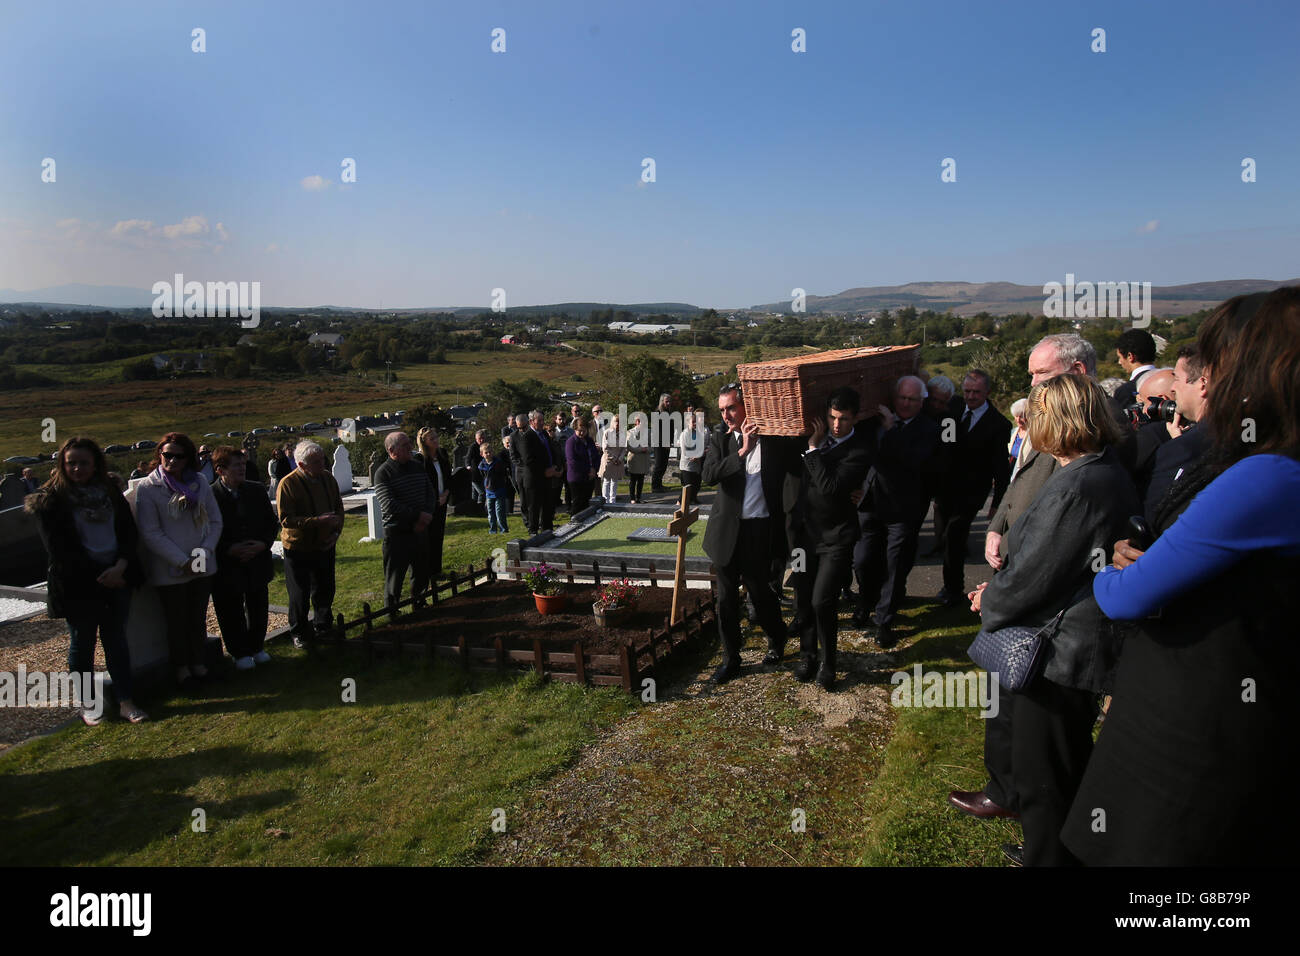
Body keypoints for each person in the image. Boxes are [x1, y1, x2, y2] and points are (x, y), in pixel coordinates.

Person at [1063, 288, 1300, 866]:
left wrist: (1107, 571)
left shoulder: (1266, 477)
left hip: (1189, 728)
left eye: (1219, 363)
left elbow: (1128, 595)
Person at [966, 373, 1137, 866]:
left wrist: (990, 600)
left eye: (1036, 415)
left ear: (1058, 420)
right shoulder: (1089, 471)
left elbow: (1039, 572)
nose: (1027, 425)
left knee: (1048, 774)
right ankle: (1046, 849)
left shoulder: (1080, 486)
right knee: (1048, 765)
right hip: (1061, 642)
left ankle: (1052, 858)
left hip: (1062, 652)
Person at [26, 437, 147, 724]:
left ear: (96, 465)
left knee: (116, 641)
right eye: (71, 463)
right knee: (82, 644)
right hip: (78, 583)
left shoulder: (108, 492)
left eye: (84, 463)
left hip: (117, 575)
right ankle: (89, 705)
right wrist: (101, 576)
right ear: (62, 464)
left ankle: (125, 701)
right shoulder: (51, 500)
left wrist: (120, 566)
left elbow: (128, 532)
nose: (77, 469)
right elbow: (59, 549)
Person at [700, 384, 793, 684]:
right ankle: (731, 660)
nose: (726, 415)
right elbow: (709, 475)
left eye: (732, 408)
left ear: (746, 407)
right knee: (725, 600)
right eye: (723, 409)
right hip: (726, 531)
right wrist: (742, 452)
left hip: (758, 530)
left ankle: (778, 637)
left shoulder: (775, 441)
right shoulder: (721, 438)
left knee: (760, 594)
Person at [852, 375, 944, 647]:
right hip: (870, 503)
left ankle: (884, 621)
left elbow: (910, 462)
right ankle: (865, 602)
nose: (905, 403)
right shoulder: (873, 422)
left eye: (912, 399)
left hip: (904, 508)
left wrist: (892, 431)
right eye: (902, 397)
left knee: (895, 566)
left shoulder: (929, 430)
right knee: (862, 560)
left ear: (921, 402)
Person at [792, 388, 871, 689]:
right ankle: (808, 655)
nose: (837, 425)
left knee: (822, 600)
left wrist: (812, 448)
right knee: (803, 598)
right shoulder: (810, 437)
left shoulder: (859, 451)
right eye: (833, 418)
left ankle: (829, 662)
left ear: (855, 418)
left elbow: (829, 486)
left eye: (845, 419)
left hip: (837, 537)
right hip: (805, 536)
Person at [131, 432, 223, 689]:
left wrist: (205, 551)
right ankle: (181, 668)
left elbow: (214, 520)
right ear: (159, 455)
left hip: (201, 561)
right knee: (176, 621)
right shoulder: (149, 488)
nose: (171, 460)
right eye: (166, 455)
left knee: (197, 617)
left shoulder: (201, 482)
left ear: (188, 458)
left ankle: (199, 663)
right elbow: (150, 531)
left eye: (178, 456)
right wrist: (181, 560)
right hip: (171, 566)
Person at [936, 370, 1010, 606]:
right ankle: (950, 585)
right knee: (947, 537)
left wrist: (998, 503)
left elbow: (1001, 468)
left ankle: (953, 589)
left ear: (987, 392)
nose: (970, 396)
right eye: (967, 391)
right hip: (947, 488)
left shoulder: (998, 424)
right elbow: (945, 444)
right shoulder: (953, 409)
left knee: (954, 534)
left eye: (976, 392)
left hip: (972, 491)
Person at [209, 446, 277, 670]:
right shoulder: (211, 495)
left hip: (256, 558)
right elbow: (206, 530)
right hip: (228, 563)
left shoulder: (256, 490)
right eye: (236, 465)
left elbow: (270, 523)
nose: (242, 469)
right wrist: (228, 549)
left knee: (258, 605)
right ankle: (239, 652)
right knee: (230, 609)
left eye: (243, 464)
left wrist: (262, 544)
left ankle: (257, 647)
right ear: (220, 470)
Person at [276, 440, 344, 646]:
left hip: (325, 544)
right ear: (301, 465)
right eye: (315, 462)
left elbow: (338, 509)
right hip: (299, 547)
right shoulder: (287, 484)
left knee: (325, 587)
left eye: (322, 459)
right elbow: (286, 519)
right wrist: (316, 522)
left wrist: (335, 533)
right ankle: (299, 631)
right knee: (300, 592)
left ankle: (323, 625)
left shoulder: (328, 479)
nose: (321, 464)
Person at [1143, 345, 1211, 518]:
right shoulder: (1244, 435)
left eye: (1177, 378)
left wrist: (1179, 447)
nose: (1172, 388)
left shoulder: (1183, 449)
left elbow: (1156, 516)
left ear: (1202, 384)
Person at [375, 431, 435, 612]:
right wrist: (417, 517)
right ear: (392, 450)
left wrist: (426, 515)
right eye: (405, 445)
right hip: (398, 532)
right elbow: (389, 505)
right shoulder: (383, 473)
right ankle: (392, 611)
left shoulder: (417, 466)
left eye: (409, 443)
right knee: (395, 576)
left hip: (420, 529)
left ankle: (419, 602)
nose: (410, 447)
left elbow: (430, 493)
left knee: (421, 572)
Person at [416, 426, 451, 581]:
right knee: (428, 539)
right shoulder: (420, 459)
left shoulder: (442, 454)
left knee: (438, 537)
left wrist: (446, 494)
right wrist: (434, 498)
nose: (436, 441)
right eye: (432, 439)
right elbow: (422, 484)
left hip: (442, 502)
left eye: (436, 437)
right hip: (429, 504)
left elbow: (448, 478)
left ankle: (437, 570)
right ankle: (427, 573)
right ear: (424, 442)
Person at [518, 410, 561, 534]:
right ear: (532, 421)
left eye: (543, 420)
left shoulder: (544, 434)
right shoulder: (526, 437)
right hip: (534, 478)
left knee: (548, 506)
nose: (542, 423)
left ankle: (547, 531)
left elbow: (550, 451)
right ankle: (533, 532)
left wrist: (555, 467)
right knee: (534, 508)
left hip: (547, 477)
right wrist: (544, 471)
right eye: (539, 421)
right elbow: (528, 460)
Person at [1111, 328, 1158, 409]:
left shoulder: (1126, 392)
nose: (1119, 362)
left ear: (1130, 356)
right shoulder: (1171, 382)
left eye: (1120, 357)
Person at [565, 418, 600, 515]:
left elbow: (596, 457)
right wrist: (588, 470)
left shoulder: (589, 441)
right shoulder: (571, 442)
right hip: (577, 478)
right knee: (577, 503)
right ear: (575, 429)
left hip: (590, 477)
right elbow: (572, 462)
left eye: (584, 431)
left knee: (586, 502)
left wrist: (594, 469)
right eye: (579, 431)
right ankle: (574, 522)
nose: (582, 433)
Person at [478, 441, 511, 533]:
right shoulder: (481, 466)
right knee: (490, 512)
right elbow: (483, 477)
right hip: (489, 491)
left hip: (499, 490)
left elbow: (504, 474)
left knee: (500, 512)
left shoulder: (498, 463)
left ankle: (503, 529)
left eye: (490, 452)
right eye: (486, 452)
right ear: (482, 454)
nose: (488, 454)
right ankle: (493, 529)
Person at [676, 408, 706, 502]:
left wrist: (700, 455)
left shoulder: (698, 434)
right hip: (687, 465)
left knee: (696, 484)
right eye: (693, 422)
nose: (695, 424)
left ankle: (693, 498)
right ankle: (679, 502)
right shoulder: (684, 434)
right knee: (687, 486)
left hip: (696, 464)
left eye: (696, 422)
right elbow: (685, 451)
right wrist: (695, 456)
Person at [598, 415, 626, 504]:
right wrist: (614, 458)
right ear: (612, 422)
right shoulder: (607, 433)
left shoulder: (622, 434)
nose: (617, 424)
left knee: (614, 481)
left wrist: (620, 459)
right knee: (606, 481)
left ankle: (612, 501)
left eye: (619, 422)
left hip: (618, 461)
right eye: (615, 421)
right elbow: (605, 448)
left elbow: (624, 448)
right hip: (608, 461)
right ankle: (605, 501)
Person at [650, 393, 674, 492]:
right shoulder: (657, 413)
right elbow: (657, 430)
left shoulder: (668, 413)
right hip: (659, 443)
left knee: (664, 465)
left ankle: (659, 485)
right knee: (659, 464)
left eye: (669, 401)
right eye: (666, 401)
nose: (668, 403)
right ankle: (655, 486)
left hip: (666, 443)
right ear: (662, 401)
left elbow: (671, 429)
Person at [625, 413, 650, 504]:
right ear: (636, 422)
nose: (641, 423)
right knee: (633, 480)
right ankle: (632, 498)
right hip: (634, 460)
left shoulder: (649, 432)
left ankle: (639, 498)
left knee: (641, 480)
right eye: (639, 421)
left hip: (643, 460)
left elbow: (652, 446)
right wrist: (641, 449)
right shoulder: (630, 432)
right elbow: (630, 447)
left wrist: (647, 449)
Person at [1007, 398, 1029, 469]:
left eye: (1021, 416)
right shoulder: (1012, 432)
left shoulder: (1033, 435)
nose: (1018, 420)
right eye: (1016, 416)